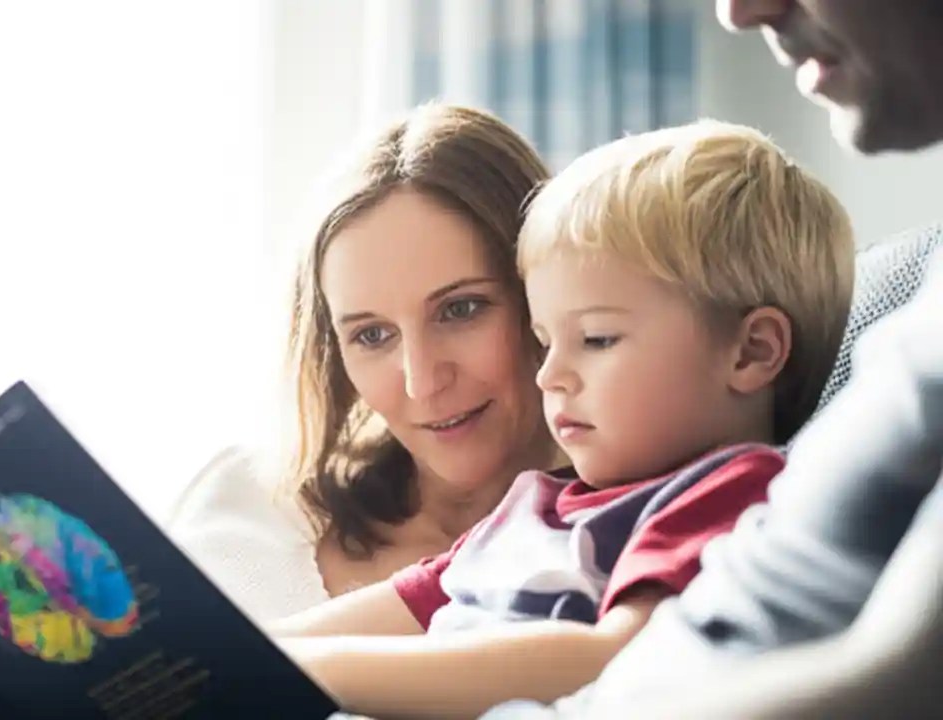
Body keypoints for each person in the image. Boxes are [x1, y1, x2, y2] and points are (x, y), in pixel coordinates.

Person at [0, 103, 566, 720]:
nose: (422, 382)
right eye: (371, 335)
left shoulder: (617, 550)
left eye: (461, 309)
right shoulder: (253, 499)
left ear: (549, 294)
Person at [274, 119, 856, 720]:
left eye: (597, 339)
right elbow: (293, 644)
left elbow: (623, 661)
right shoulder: (537, 508)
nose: (549, 374)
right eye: (545, 340)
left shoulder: (733, 495)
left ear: (752, 350)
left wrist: (321, 672)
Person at [480, 1, 943, 717]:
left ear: (755, 350)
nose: (738, 10)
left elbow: (896, 677)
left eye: (598, 338)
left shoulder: (725, 486)